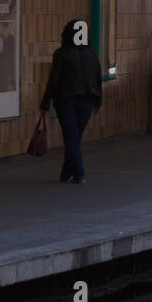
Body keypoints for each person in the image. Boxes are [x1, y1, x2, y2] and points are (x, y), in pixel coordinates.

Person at [40, 19, 102, 184]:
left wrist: (45, 103)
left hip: (65, 100)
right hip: (88, 100)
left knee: (71, 137)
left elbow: (53, 80)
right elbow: (98, 79)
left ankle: (79, 173)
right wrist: (98, 102)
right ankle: (66, 173)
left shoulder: (61, 54)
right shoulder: (92, 53)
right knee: (74, 137)